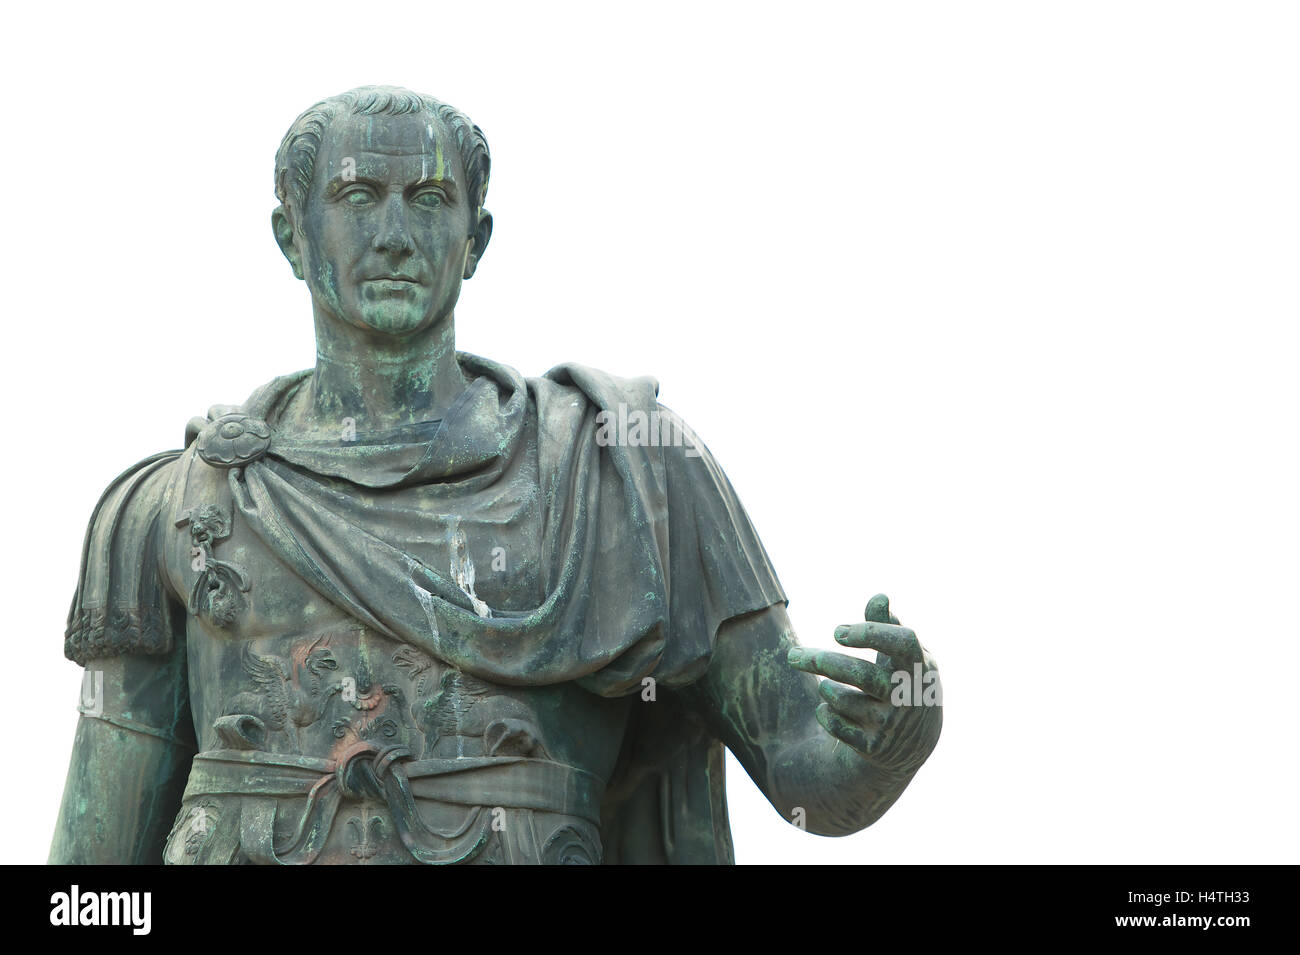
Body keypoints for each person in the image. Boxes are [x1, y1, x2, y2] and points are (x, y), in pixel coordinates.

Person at [49, 86, 942, 865]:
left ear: (474, 239)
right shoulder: (176, 509)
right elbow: (94, 873)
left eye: (429, 198)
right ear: (292, 233)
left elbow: (806, 767)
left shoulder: (625, 473)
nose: (395, 234)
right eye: (358, 196)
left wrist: (897, 729)